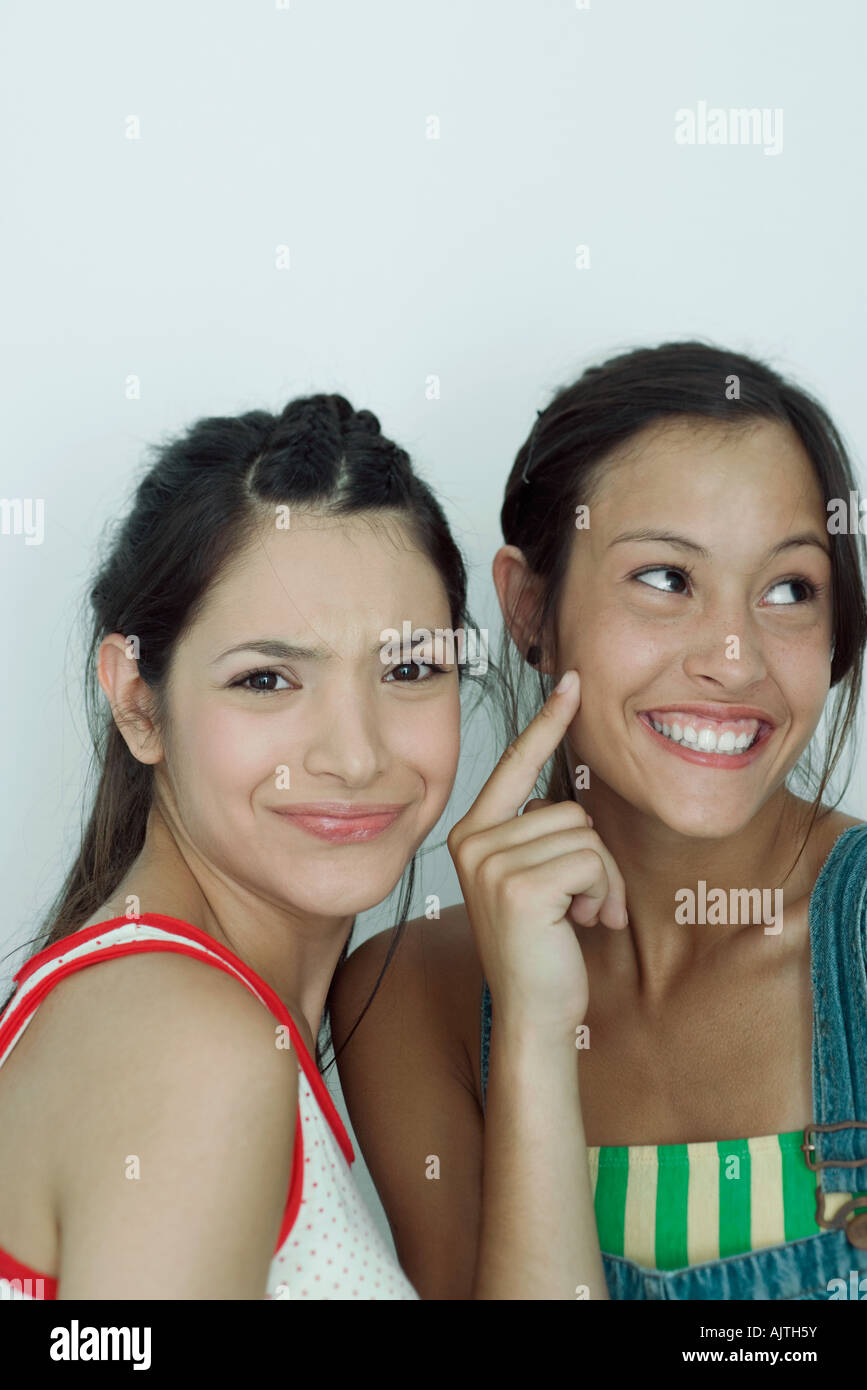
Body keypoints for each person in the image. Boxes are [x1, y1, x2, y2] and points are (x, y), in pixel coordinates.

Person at [330, 342, 867, 1300]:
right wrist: (535, 1031)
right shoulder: (410, 1001)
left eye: (789, 588)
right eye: (664, 579)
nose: (735, 660)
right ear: (529, 607)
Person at [0, 392, 480, 1300]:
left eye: (409, 669)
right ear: (137, 699)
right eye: (266, 679)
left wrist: (531, 1029)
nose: (354, 754)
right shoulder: (194, 1049)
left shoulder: (164, 1012)